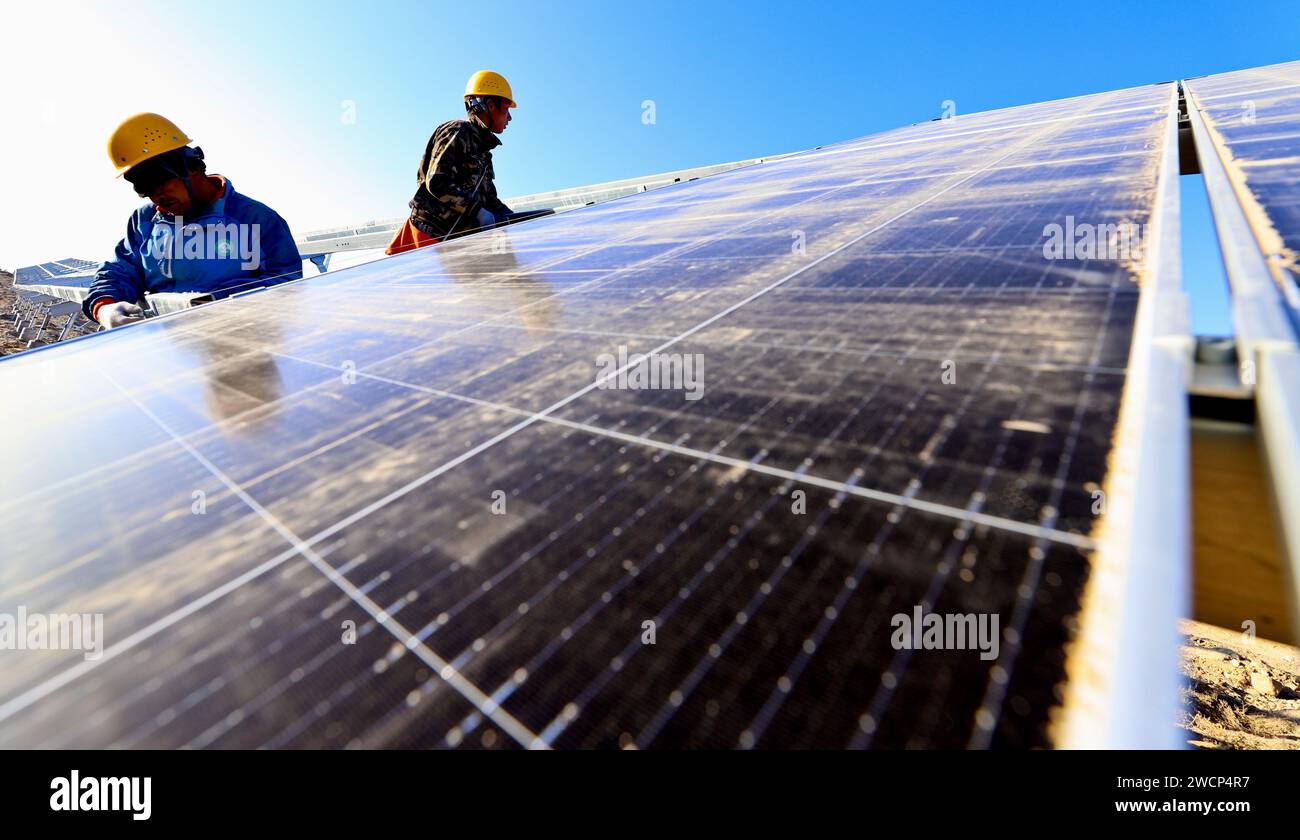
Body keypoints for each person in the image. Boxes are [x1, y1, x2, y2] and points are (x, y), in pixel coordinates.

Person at [86, 113, 302, 328]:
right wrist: (104, 307)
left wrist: (212, 303)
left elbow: (287, 282)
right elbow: (119, 271)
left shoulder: (254, 219)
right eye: (145, 189)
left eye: (159, 182)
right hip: (172, 348)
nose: (156, 197)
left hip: (246, 339)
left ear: (192, 167)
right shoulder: (145, 221)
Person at [386, 70, 527, 255]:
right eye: (507, 108)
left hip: (453, 243)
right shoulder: (458, 131)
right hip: (426, 235)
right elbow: (437, 182)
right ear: (491, 105)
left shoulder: (483, 154)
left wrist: (512, 217)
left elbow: (489, 199)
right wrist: (477, 211)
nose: (509, 117)